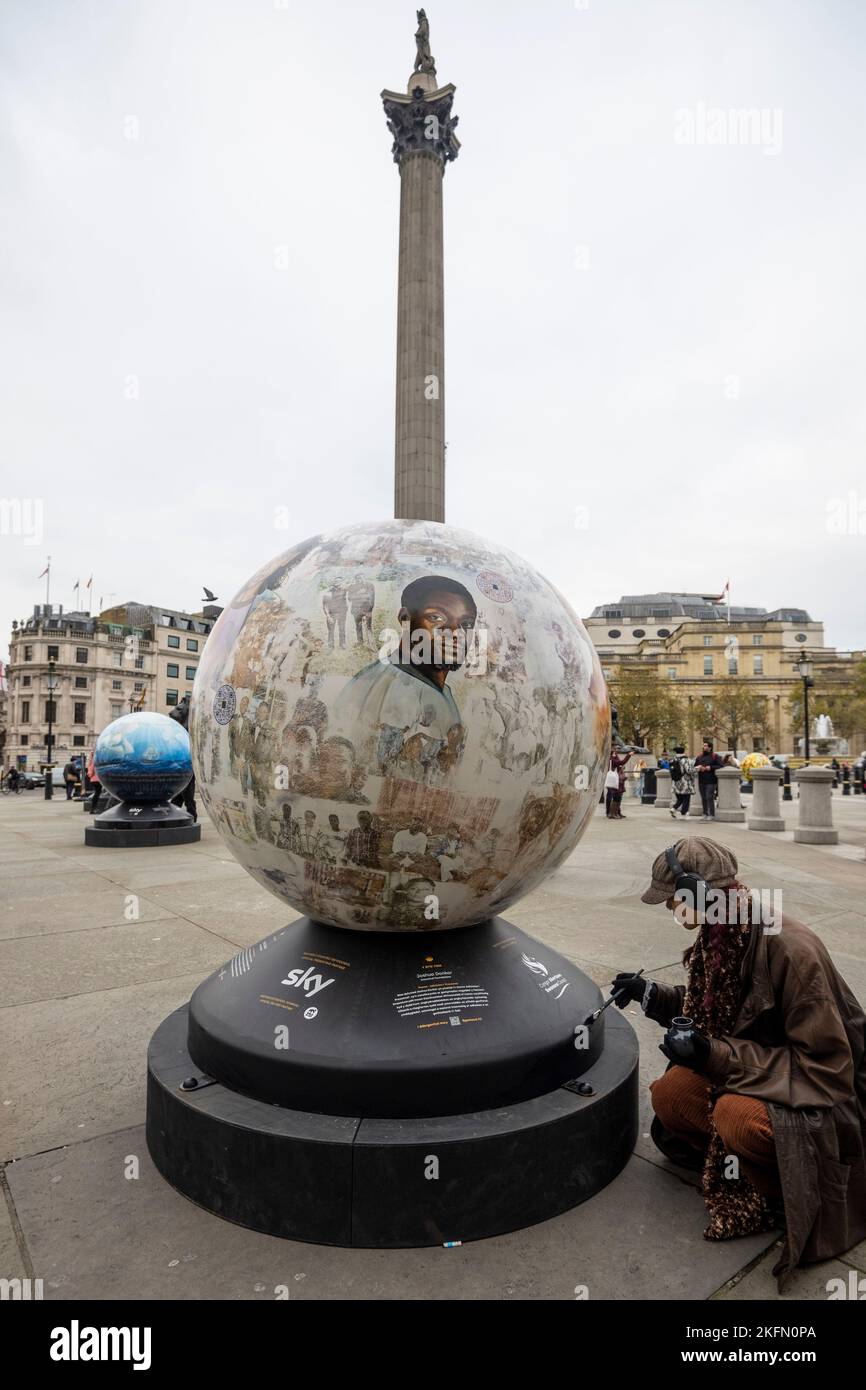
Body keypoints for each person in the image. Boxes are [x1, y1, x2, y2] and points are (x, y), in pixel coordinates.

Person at [611, 836, 866, 1291]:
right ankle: (746, 1165)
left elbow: (826, 1068)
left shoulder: (790, 948)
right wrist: (651, 997)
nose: (671, 910)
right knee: (669, 1097)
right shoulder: (722, 931)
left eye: (673, 900)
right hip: (758, 1071)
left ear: (700, 893)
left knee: (735, 1118)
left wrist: (713, 1056)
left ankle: (781, 1190)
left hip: (817, 1096)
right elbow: (719, 1010)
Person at [694, 739, 723, 819]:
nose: (704, 747)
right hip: (701, 780)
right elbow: (694, 766)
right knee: (703, 797)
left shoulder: (715, 756)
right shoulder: (699, 757)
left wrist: (710, 767)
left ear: (710, 747)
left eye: (705, 746)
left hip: (711, 780)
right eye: (703, 745)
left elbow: (721, 766)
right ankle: (705, 813)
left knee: (709, 796)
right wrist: (699, 768)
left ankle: (711, 814)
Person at [669, 745, 694, 818]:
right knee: (686, 798)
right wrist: (697, 769)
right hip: (685, 782)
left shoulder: (672, 760)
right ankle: (684, 813)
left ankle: (674, 808)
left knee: (680, 798)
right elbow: (689, 771)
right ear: (683, 751)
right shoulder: (686, 760)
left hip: (676, 782)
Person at [605, 749, 631, 819]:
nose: (616, 753)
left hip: (617, 780)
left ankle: (616, 812)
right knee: (615, 797)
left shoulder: (614, 758)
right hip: (614, 780)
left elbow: (620, 763)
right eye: (614, 752)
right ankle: (611, 813)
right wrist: (629, 755)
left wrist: (621, 767)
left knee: (618, 797)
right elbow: (621, 762)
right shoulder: (612, 759)